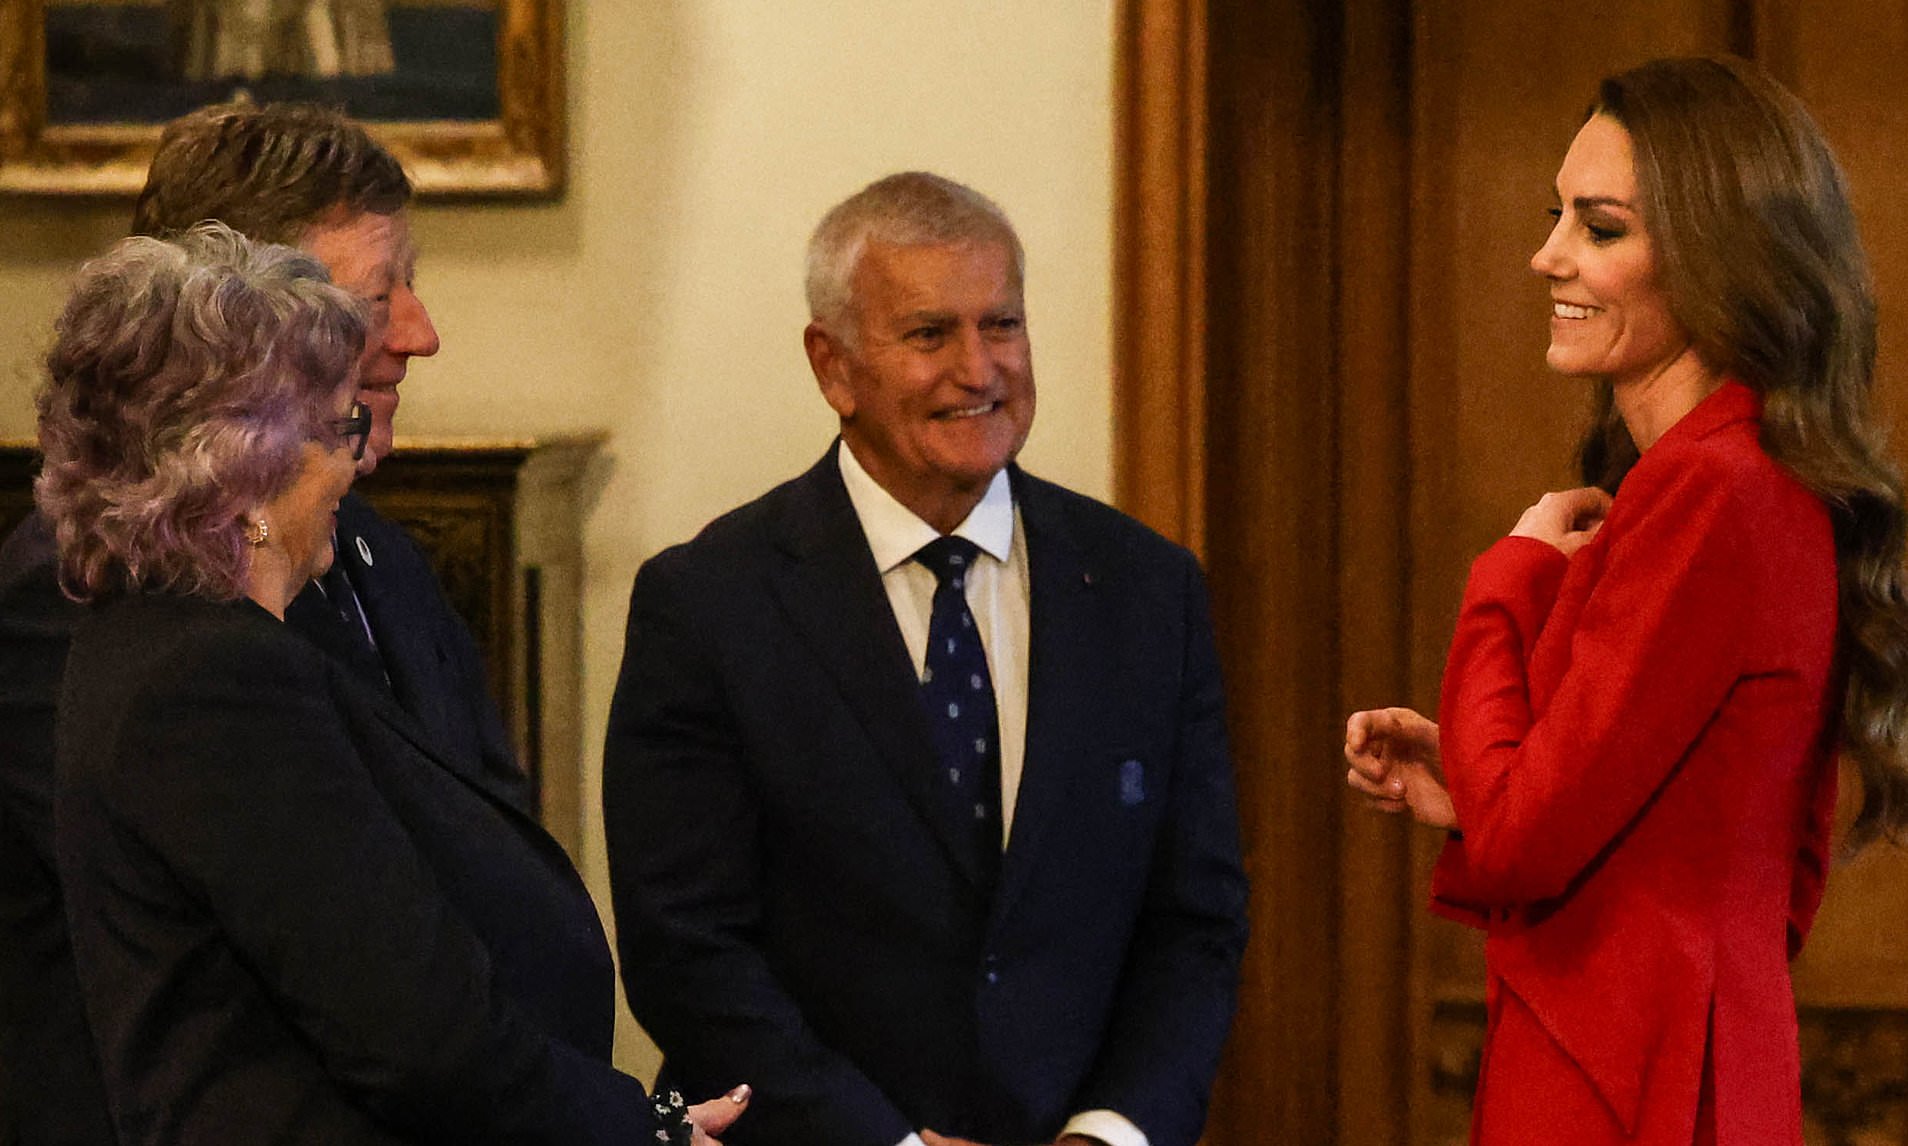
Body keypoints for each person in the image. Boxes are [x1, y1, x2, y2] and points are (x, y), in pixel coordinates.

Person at [42, 224, 747, 1144]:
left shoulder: (192, 647)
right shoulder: (211, 681)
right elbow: (414, 1028)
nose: (354, 461)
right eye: (340, 427)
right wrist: (640, 1133)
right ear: (242, 463)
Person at [602, 171, 1249, 1146]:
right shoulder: (709, 604)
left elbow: (1193, 919)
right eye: (929, 335)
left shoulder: (1147, 590)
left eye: (1003, 325)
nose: (980, 369)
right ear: (834, 366)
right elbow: (685, 948)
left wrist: (1109, 1132)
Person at [1344, 56, 1908, 1145]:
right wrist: (1475, 782)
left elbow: (1520, 848)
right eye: (1555, 215)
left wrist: (1504, 578)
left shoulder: (1716, 489)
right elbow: (1726, 835)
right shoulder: (1741, 479)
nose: (1546, 254)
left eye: (1599, 228)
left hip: (1624, 1078)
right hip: (1672, 1058)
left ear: (1716, 260)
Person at [0, 102, 512, 1144]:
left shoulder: (379, 555)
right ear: (246, 323)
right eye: (376, 296)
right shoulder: (79, 591)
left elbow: (489, 841)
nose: (419, 333)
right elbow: (333, 949)